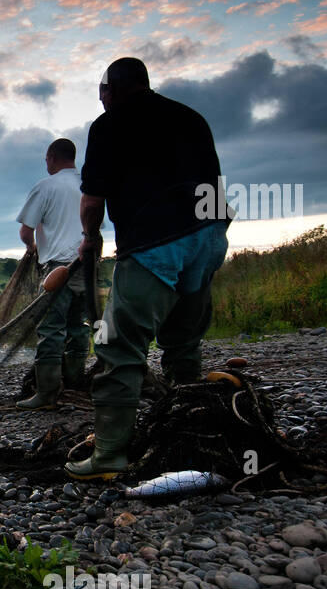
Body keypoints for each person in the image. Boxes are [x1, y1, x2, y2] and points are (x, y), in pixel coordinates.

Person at [66, 58, 230, 479]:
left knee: (119, 348)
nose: (101, 101)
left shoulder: (108, 125)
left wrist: (91, 236)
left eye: (101, 94)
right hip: (209, 235)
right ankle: (189, 433)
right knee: (182, 340)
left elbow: (92, 199)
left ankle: (110, 456)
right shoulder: (191, 117)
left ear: (111, 90)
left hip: (156, 241)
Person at [14, 137, 88, 409]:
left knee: (51, 328)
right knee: (78, 326)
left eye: (46, 159)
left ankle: (47, 394)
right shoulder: (87, 185)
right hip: (85, 266)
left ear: (52, 157)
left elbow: (25, 230)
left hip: (56, 268)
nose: (46, 163)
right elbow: (94, 222)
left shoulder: (45, 187)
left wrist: (31, 246)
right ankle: (75, 382)